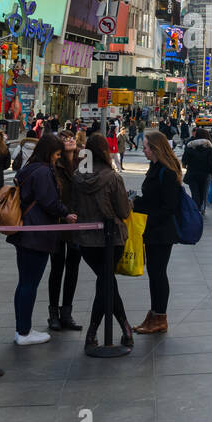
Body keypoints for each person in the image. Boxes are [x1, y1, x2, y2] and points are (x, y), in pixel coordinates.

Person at [8, 133, 78, 345]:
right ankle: (24, 332)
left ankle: (22, 328)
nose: (58, 158)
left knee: (24, 283)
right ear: (49, 152)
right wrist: (66, 213)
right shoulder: (43, 172)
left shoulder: (29, 168)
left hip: (25, 231)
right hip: (37, 232)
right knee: (29, 283)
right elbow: (49, 201)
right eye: (57, 154)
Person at [71, 133, 134, 350]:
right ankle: (122, 328)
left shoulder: (77, 176)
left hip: (86, 240)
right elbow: (123, 211)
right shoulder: (113, 177)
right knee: (106, 282)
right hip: (111, 239)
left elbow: (72, 205)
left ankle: (96, 332)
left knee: (105, 281)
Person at [132, 130, 182, 334]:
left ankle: (160, 317)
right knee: (154, 273)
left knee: (158, 273)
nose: (142, 150)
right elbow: (152, 199)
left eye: (145, 147)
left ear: (155, 149)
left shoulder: (166, 171)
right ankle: (154, 315)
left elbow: (169, 206)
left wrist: (146, 215)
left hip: (161, 232)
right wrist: (136, 203)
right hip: (153, 229)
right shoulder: (155, 167)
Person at [46, 131, 83, 331]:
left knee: (73, 268)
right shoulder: (54, 164)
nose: (69, 140)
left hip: (78, 221)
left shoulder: (83, 161)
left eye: (71, 137)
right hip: (59, 221)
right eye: (64, 138)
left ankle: (67, 312)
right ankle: (53, 313)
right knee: (57, 267)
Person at [182, 124, 212, 212]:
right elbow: (211, 162)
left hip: (192, 172)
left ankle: (195, 209)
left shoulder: (190, 146)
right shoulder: (209, 148)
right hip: (204, 174)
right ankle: (199, 207)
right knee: (202, 192)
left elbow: (184, 159)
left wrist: (185, 164)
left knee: (194, 193)